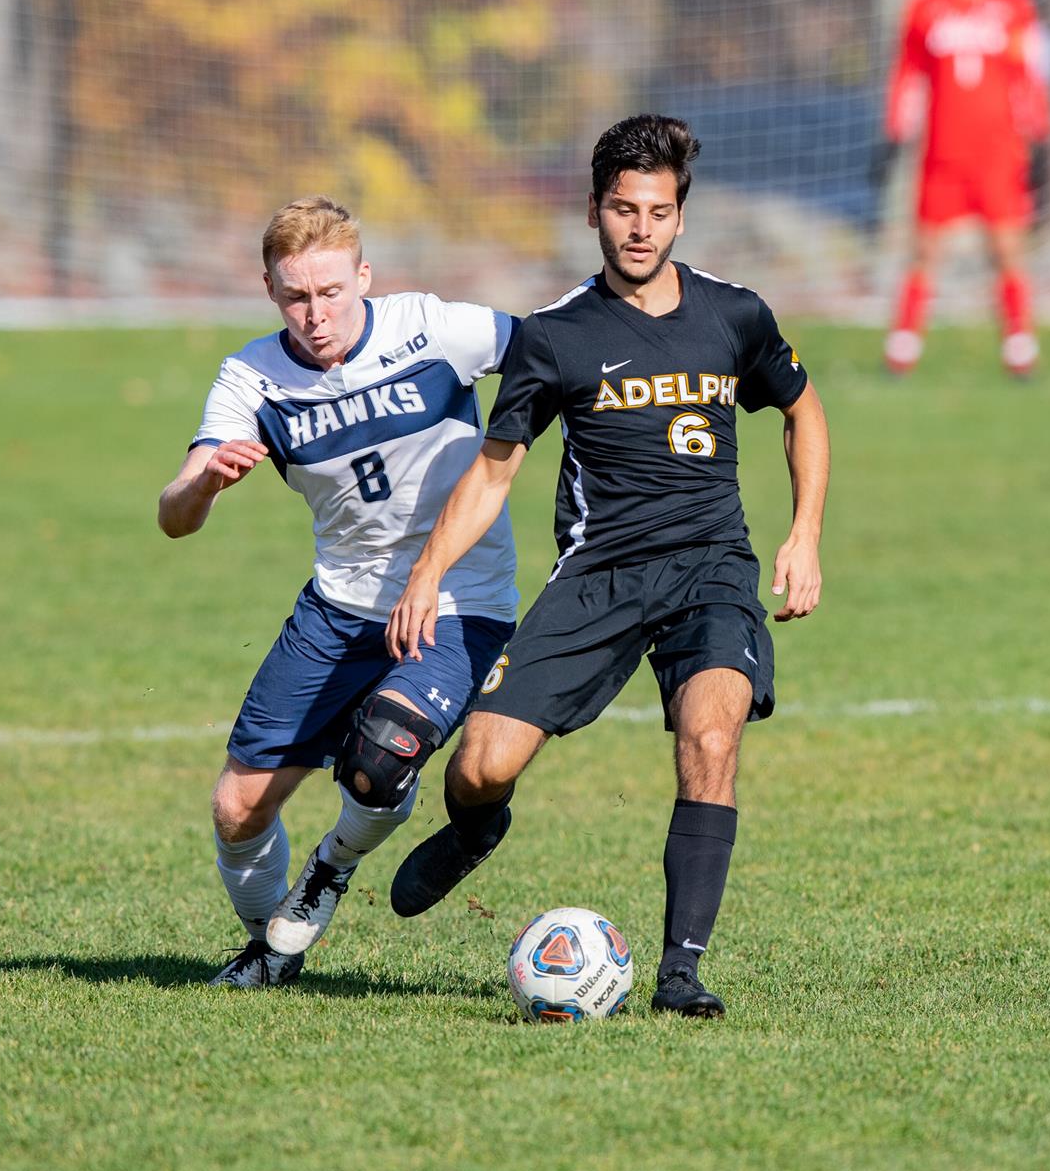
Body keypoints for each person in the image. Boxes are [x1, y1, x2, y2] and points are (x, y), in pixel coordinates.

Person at [384, 115, 830, 1019]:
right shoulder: (556, 335)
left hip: (710, 566)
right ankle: (477, 829)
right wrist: (427, 571)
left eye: (658, 212)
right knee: (479, 765)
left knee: (712, 736)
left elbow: (803, 408)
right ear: (594, 210)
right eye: (624, 209)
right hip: (600, 574)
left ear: (680, 216)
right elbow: (494, 471)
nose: (640, 229)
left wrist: (805, 533)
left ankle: (681, 973)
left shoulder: (735, 314)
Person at [158, 196, 518, 987]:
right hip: (338, 608)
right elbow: (173, 514)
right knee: (236, 809)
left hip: (459, 601)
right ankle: (271, 952)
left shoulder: (434, 328)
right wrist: (205, 483)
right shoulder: (253, 376)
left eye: (330, 292)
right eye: (295, 296)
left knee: (379, 758)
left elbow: (555, 355)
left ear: (364, 277)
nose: (315, 315)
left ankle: (327, 871)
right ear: (269, 290)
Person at [881, 0, 1049, 378]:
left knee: (1007, 249)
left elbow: (1028, 75)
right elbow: (908, 74)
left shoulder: (1014, 5)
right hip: (942, 153)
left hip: (999, 153)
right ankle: (902, 348)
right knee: (925, 251)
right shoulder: (926, 5)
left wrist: (1040, 135)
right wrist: (894, 134)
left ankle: (1019, 347)